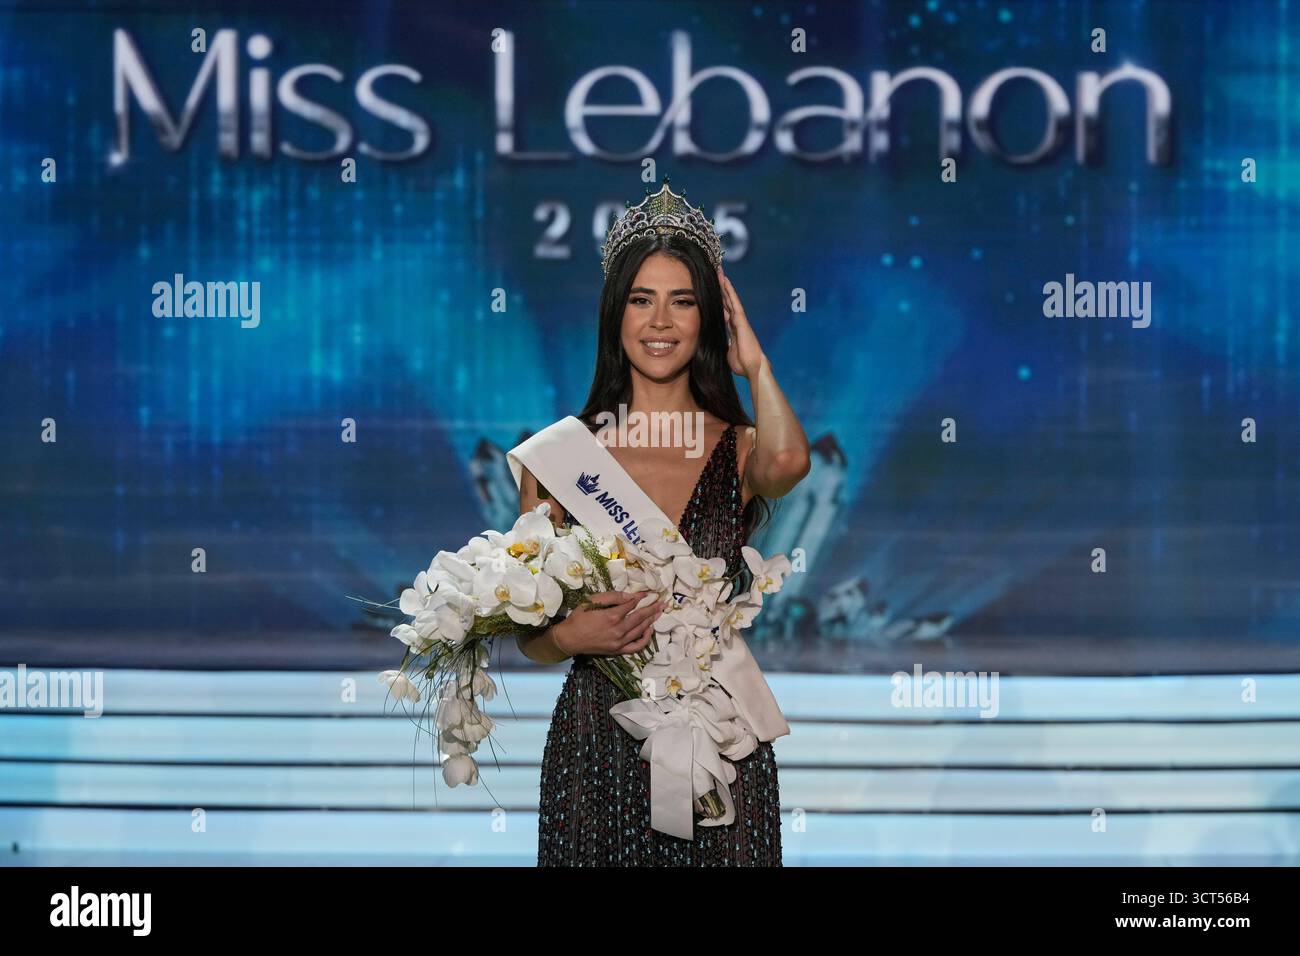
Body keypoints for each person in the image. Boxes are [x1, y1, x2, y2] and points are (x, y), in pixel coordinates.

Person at [515, 180, 811, 866]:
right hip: (598, 742)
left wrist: (755, 364)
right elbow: (529, 636)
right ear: (614, 315)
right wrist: (570, 634)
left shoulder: (738, 447)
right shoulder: (559, 459)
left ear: (709, 318)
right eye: (641, 300)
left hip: (720, 741)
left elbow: (791, 461)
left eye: (683, 302)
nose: (660, 322)